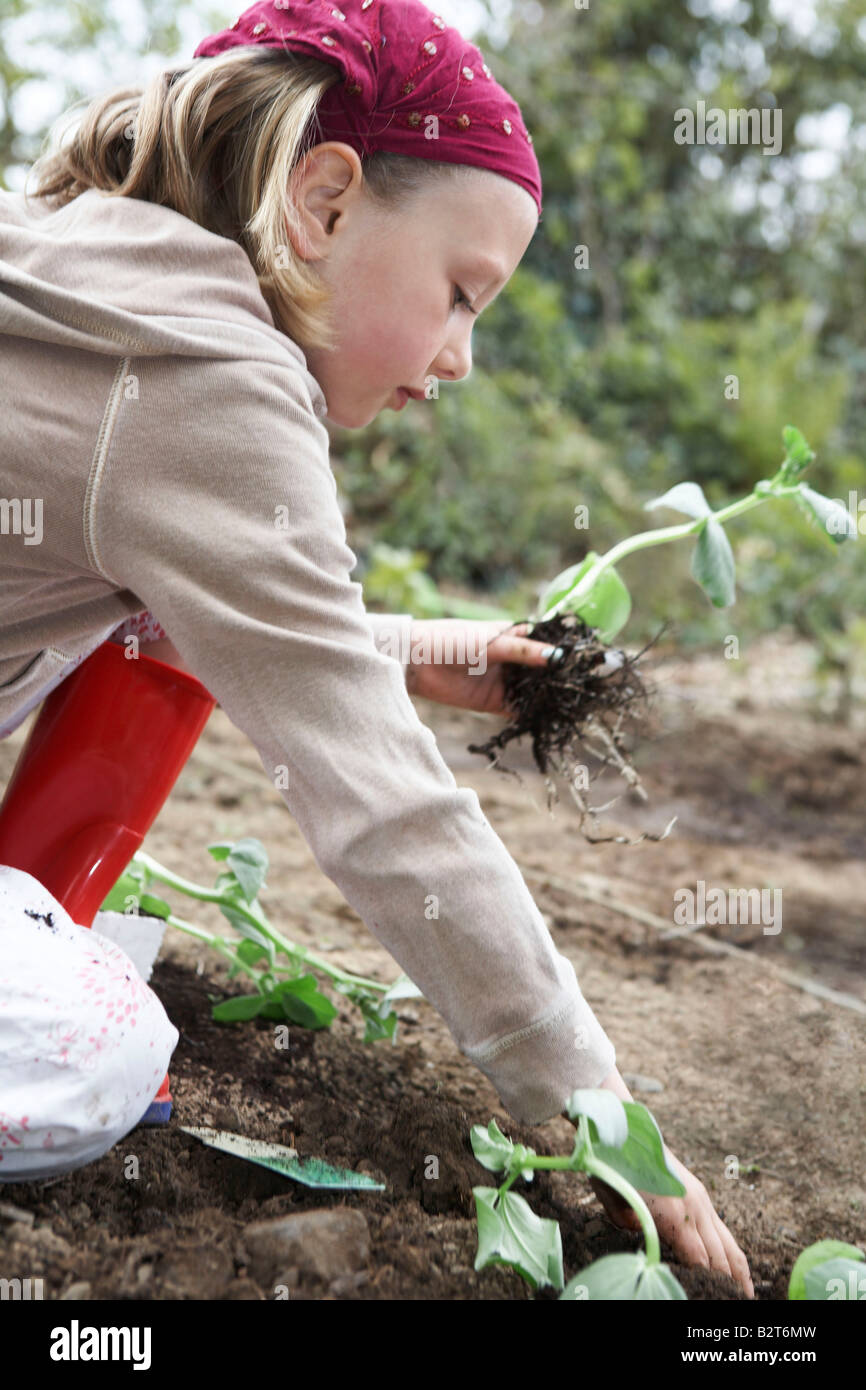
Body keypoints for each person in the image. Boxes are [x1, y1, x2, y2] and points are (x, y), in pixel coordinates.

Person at [0, 0, 752, 1295]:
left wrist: (403, 645)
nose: (459, 356)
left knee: (139, 647)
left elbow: (183, 590)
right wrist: (593, 1099)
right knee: (101, 1044)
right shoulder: (212, 375)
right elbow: (390, 812)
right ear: (325, 201)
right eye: (461, 293)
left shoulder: (112, 265)